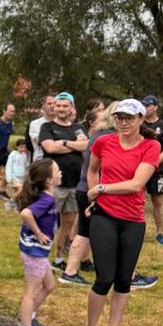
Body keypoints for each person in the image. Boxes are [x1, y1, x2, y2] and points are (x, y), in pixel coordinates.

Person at [81, 99, 161, 326]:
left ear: (140, 119)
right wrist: (94, 197)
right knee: (105, 277)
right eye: (119, 118)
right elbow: (93, 170)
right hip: (104, 215)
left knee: (124, 280)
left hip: (133, 220)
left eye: (129, 118)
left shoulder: (151, 146)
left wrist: (101, 189)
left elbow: (137, 184)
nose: (123, 123)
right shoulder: (103, 142)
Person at [58, 102, 111, 286]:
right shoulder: (108, 138)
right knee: (100, 232)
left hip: (83, 187)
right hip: (92, 188)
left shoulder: (97, 136)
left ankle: (70, 271)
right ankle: (121, 273)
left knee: (83, 232)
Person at [15, 158, 61, 326]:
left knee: (50, 285)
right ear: (49, 180)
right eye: (57, 171)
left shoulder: (46, 196)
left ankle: (30, 318)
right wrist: (39, 233)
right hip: (34, 251)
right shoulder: (46, 199)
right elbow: (26, 214)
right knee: (31, 291)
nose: (61, 173)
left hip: (39, 251)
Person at [37, 93, 87, 266]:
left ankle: (59, 258)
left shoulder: (78, 128)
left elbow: (86, 146)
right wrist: (74, 145)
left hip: (75, 182)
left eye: (65, 106)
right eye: (58, 106)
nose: (61, 109)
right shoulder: (47, 127)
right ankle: (39, 256)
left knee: (68, 222)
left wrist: (64, 143)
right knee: (46, 220)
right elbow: (49, 147)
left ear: (72, 108)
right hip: (53, 183)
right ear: (54, 107)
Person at [141, 96, 163, 245]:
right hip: (138, 169)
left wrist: (153, 163)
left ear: (155, 107)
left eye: (148, 105)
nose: (145, 108)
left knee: (158, 200)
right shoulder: (138, 124)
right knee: (137, 200)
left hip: (156, 170)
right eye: (143, 105)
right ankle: (137, 231)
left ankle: (160, 232)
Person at [26, 92, 57, 161]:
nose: (52, 106)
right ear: (43, 106)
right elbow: (46, 144)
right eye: (49, 104)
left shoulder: (63, 123)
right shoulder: (35, 124)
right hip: (40, 163)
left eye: (54, 103)